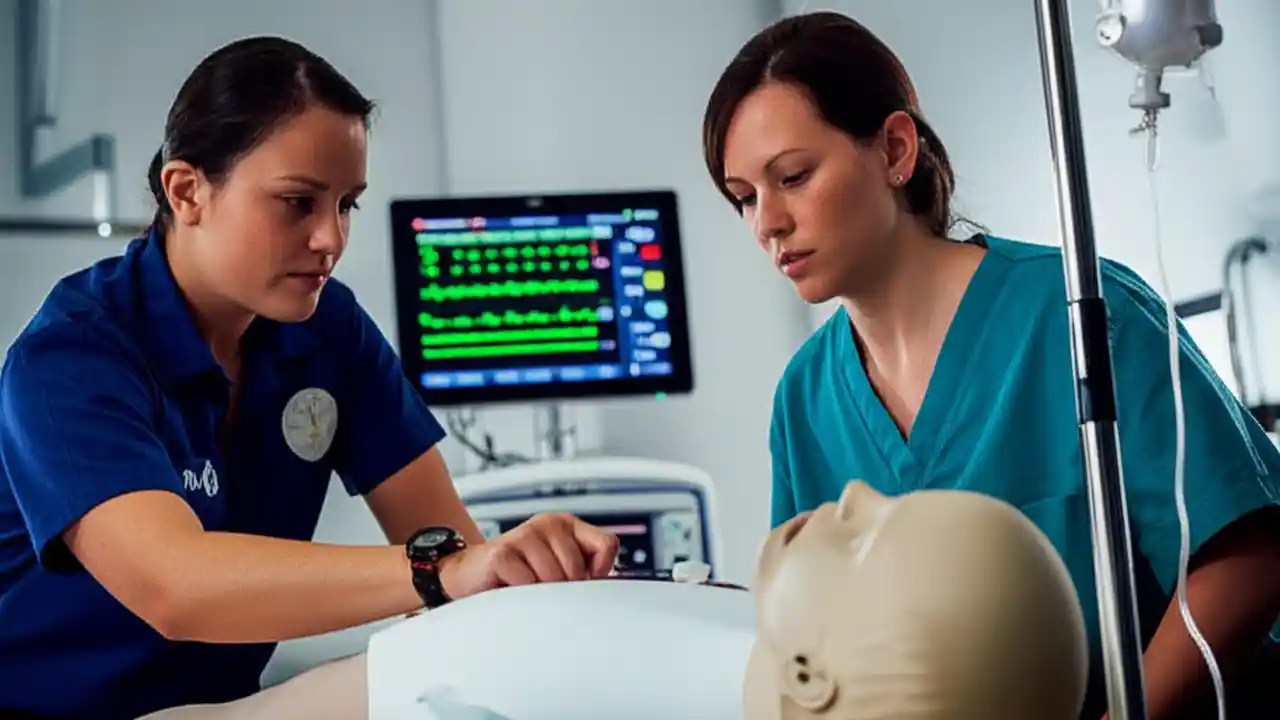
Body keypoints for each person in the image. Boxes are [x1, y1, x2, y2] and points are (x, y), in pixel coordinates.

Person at [0, 37, 619, 719]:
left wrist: (532, 578)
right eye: (297, 202)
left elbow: (459, 559)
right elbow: (175, 588)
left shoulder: (327, 330)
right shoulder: (71, 356)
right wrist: (439, 569)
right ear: (187, 191)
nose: (331, 239)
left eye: (346, 204)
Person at [702, 11, 1280, 720]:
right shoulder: (804, 401)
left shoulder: (1079, 313)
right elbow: (811, 639)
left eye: (792, 177)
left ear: (895, 150)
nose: (767, 223)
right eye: (744, 198)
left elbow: (1248, 558)